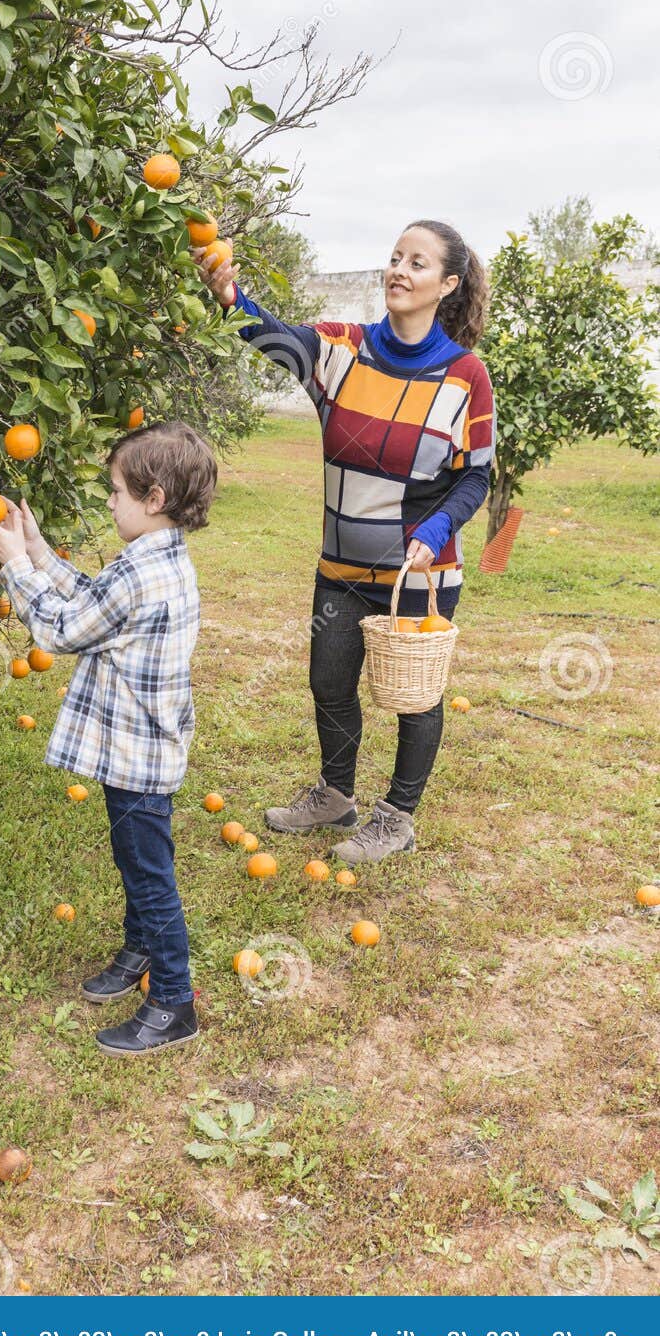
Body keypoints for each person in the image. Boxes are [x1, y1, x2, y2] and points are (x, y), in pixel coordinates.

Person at [193, 220, 495, 864]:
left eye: (417, 264)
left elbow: (476, 475)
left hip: (420, 574)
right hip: (342, 568)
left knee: (414, 698)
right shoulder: (344, 351)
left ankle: (399, 815)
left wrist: (435, 531)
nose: (399, 271)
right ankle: (336, 795)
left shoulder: (466, 376)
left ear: (446, 284)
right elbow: (277, 338)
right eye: (394, 258)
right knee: (328, 683)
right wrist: (229, 295)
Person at [0, 421, 218, 1056]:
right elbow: (91, 598)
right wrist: (41, 552)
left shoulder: (141, 573)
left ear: (153, 497)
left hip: (138, 758)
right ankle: (139, 951)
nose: (109, 502)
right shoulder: (154, 558)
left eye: (115, 491)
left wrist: (17, 567)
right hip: (137, 750)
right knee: (135, 863)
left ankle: (173, 1000)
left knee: (148, 874)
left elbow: (60, 630)